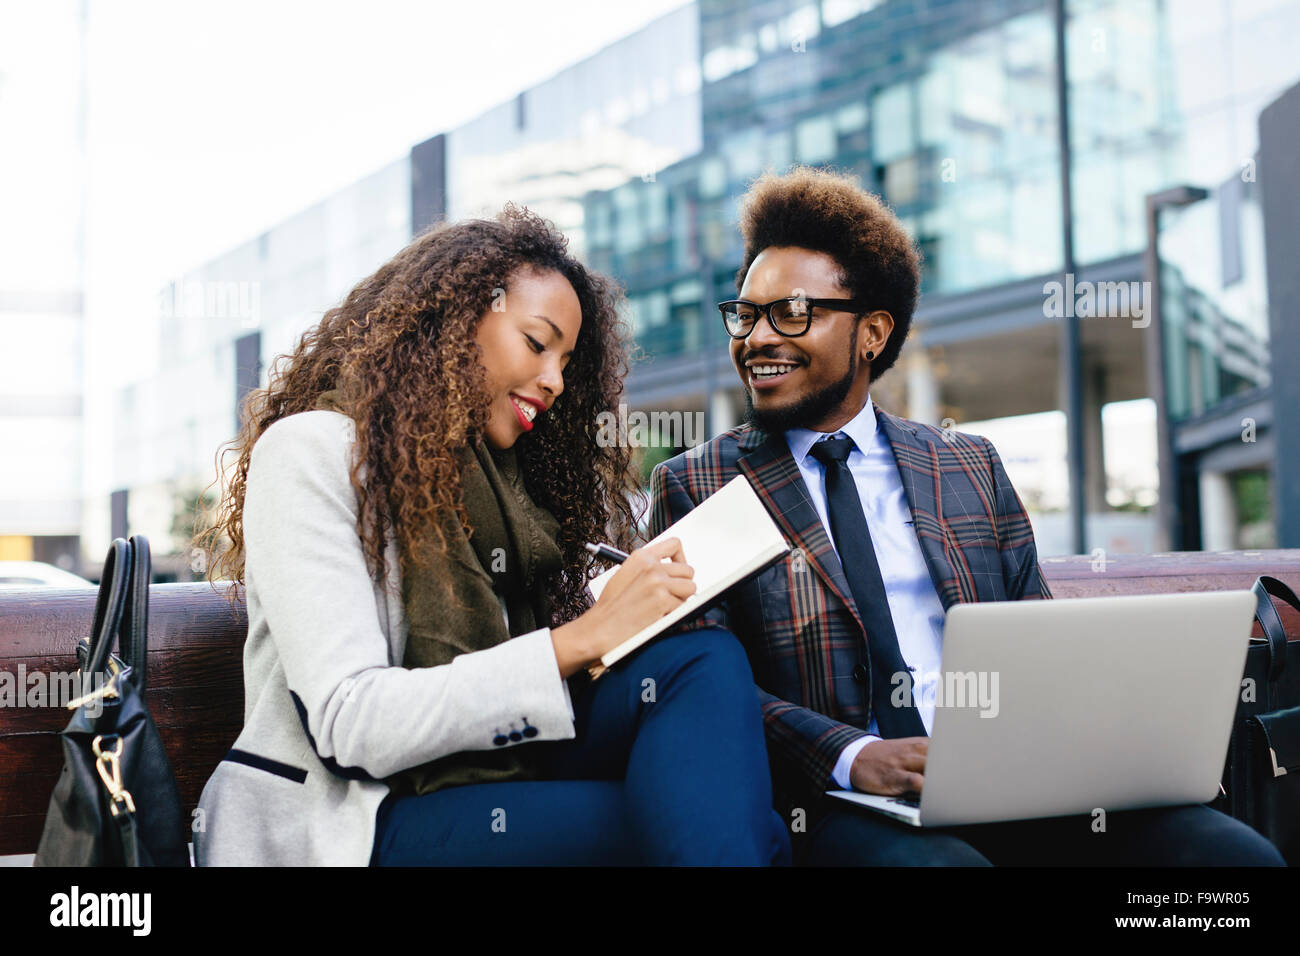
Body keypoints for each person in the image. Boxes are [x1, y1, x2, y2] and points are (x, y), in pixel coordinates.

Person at [647, 167, 1284, 866]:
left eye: (792, 313)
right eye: (746, 313)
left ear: (872, 333)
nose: (757, 337)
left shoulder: (967, 465)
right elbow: (705, 689)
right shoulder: (699, 482)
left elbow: (1040, 641)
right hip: (833, 803)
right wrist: (854, 755)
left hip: (1012, 776)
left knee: (1227, 859)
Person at [194, 204, 790, 866]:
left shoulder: (510, 483)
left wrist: (614, 615)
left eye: (567, 361)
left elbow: (528, 669)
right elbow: (350, 723)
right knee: (714, 823)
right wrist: (577, 640)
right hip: (357, 818)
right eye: (538, 344)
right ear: (451, 324)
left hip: (494, 771)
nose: (555, 381)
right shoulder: (311, 452)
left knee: (701, 664)